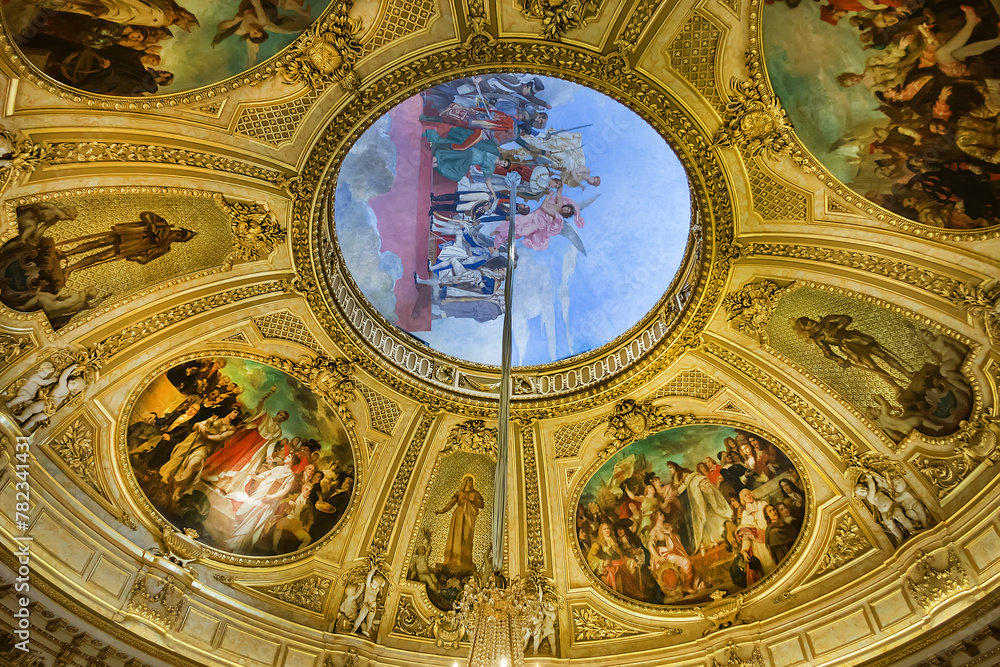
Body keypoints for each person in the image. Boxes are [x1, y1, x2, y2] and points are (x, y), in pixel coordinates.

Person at [55, 212, 196, 274]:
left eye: (182, 237)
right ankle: (67, 253)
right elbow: (145, 214)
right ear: (180, 229)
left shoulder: (165, 248)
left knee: (100, 257)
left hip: (131, 247)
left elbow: (147, 258)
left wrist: (139, 258)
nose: (179, 234)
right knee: (98, 242)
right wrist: (151, 223)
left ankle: (70, 268)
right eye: (182, 232)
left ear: (181, 241)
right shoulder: (164, 224)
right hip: (129, 234)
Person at [646, 511, 705, 597]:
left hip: (672, 553)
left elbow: (675, 538)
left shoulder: (666, 526)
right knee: (687, 563)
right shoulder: (654, 531)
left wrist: (670, 533)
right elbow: (650, 546)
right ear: (657, 518)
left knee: (689, 562)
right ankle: (687, 586)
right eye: (660, 514)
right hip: (665, 556)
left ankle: (689, 585)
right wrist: (658, 557)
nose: (663, 515)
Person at [435, 474, 485, 570]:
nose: (471, 482)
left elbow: (481, 504)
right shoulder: (459, 493)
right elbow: (451, 503)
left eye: (472, 480)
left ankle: (466, 559)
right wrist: (442, 510)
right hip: (459, 515)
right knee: (457, 536)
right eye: (469, 480)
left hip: (469, 516)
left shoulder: (476, 493)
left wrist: (470, 501)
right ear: (465, 481)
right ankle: (454, 558)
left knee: (467, 536)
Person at [587, 523, 643, 599]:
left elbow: (621, 556)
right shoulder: (597, 544)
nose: (607, 530)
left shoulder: (614, 542)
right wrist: (602, 563)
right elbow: (590, 557)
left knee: (632, 591)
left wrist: (631, 561)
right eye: (604, 529)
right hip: (611, 570)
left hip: (622, 569)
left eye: (608, 528)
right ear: (601, 531)